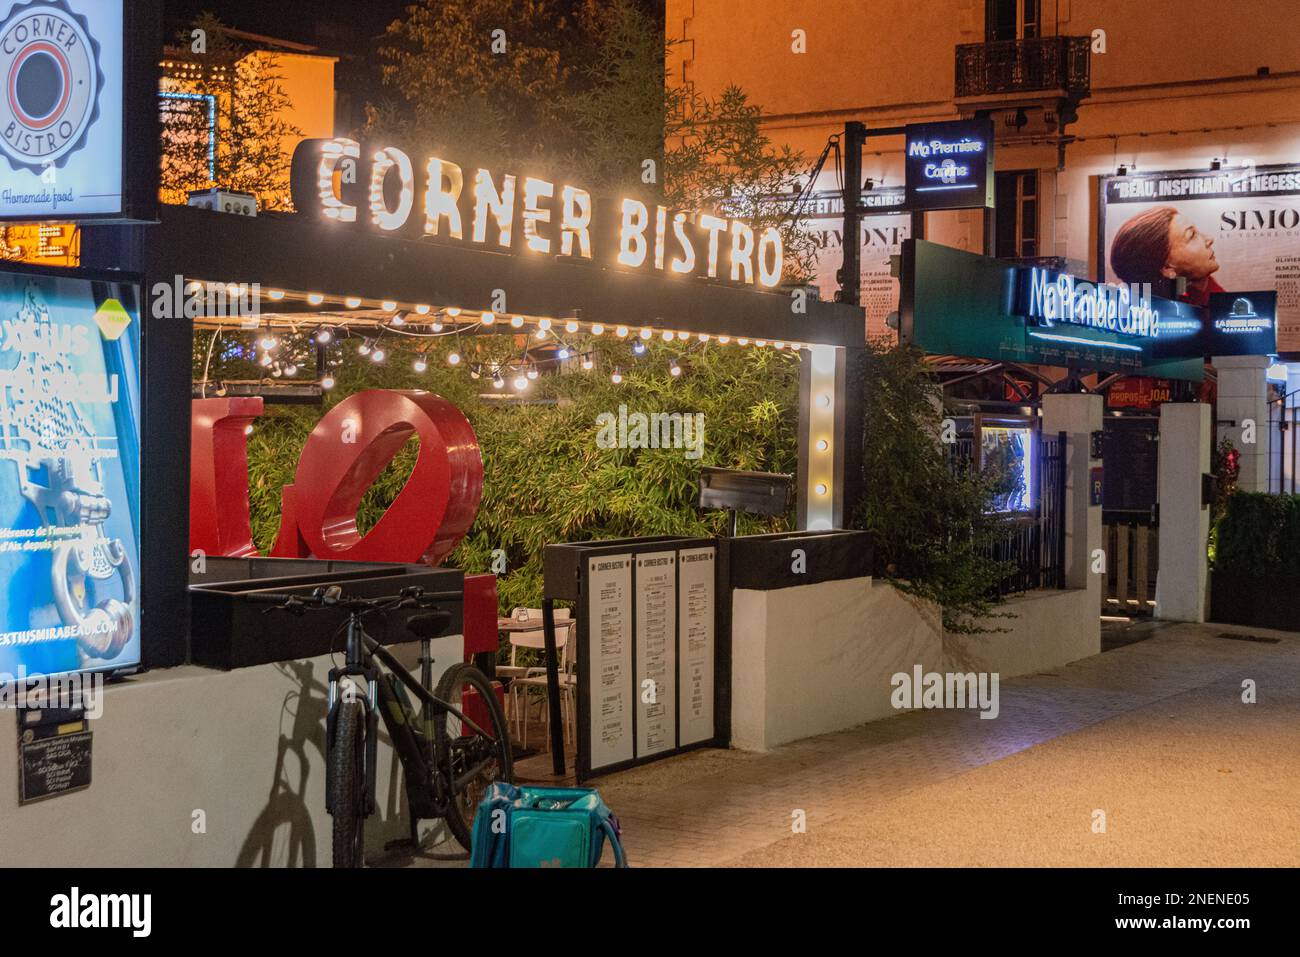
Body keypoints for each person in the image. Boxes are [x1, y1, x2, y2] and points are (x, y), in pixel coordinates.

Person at [1109, 205, 1225, 306]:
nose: (1209, 239)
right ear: (1167, 268)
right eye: (1192, 235)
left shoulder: (1202, 291)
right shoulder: (1179, 315)